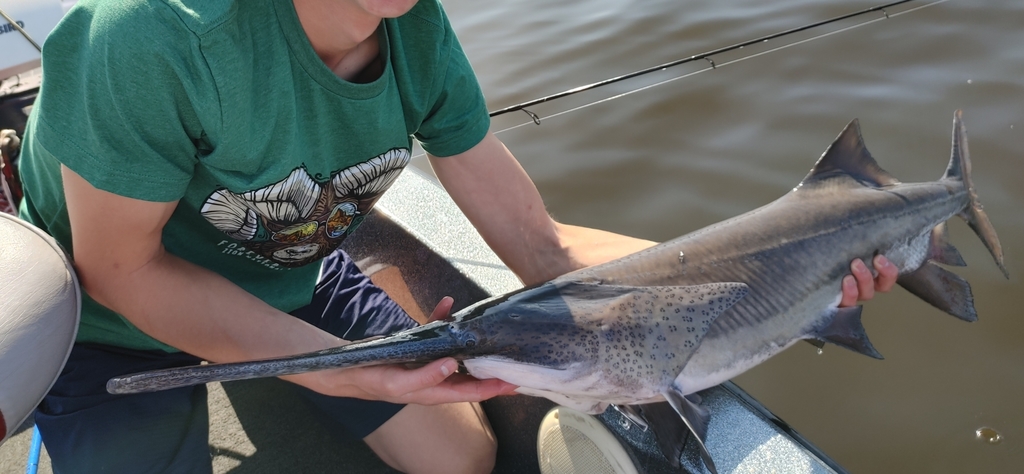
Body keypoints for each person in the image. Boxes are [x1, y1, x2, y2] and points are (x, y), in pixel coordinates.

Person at [16, 0, 898, 472]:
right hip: (108, 330)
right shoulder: (147, 35)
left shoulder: (419, 34)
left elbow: (546, 250)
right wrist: (331, 368)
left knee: (464, 461)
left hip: (296, 274)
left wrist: (784, 268)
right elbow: (123, 270)